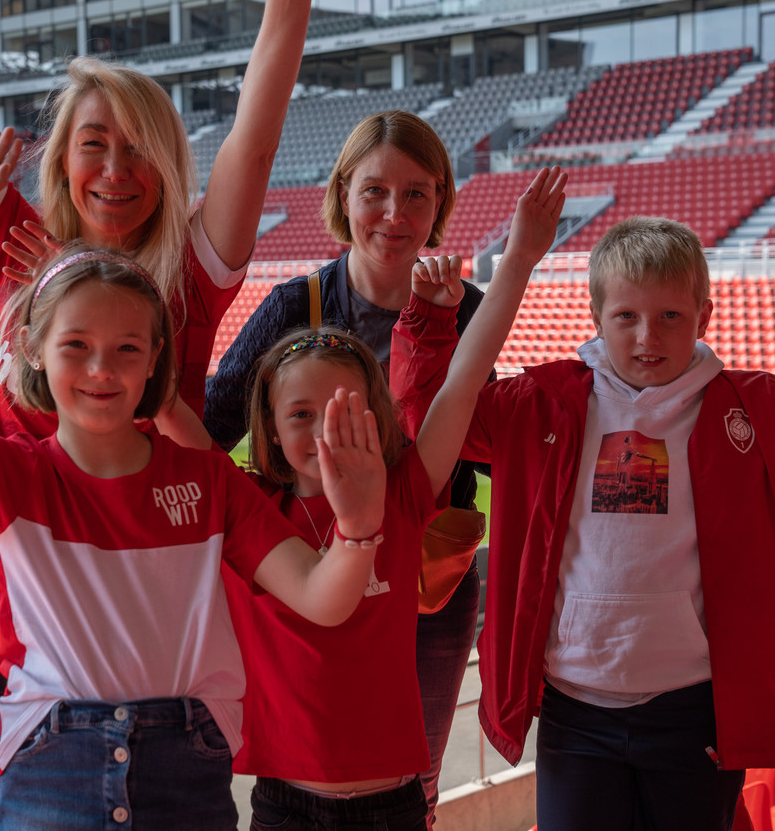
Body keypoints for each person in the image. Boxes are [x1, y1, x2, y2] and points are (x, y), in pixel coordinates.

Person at [0, 0, 327, 824]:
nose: (115, 169)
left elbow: (254, 144)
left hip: (115, 654)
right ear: (61, 157)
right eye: (94, 143)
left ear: (168, 166)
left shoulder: (187, 278)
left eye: (140, 148)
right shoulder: (3, 237)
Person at [0, 131, 387, 831]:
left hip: (186, 781)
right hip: (51, 777)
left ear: (154, 362)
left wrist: (357, 528)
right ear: (35, 354)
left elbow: (322, 599)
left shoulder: (207, 483)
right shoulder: (10, 475)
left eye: (126, 349)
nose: (102, 369)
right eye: (76, 346)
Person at [391, 215, 775, 830]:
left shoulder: (755, 408)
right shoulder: (541, 404)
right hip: (574, 708)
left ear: (703, 318)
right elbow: (429, 420)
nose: (647, 336)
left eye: (670, 317)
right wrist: (432, 323)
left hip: (696, 710)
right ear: (596, 318)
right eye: (626, 317)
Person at [164, 167, 565, 829]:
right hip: (281, 806)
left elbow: (463, 380)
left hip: (396, 808)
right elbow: (165, 413)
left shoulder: (405, 491)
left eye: (344, 408)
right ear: (267, 427)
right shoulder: (247, 507)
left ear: (378, 417)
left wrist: (518, 259)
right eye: (300, 414)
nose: (326, 429)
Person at [203, 110, 487, 820]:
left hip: (426, 580)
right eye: (375, 191)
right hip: (307, 568)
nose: (395, 214)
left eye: (417, 193)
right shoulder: (290, 306)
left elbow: (484, 443)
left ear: (441, 202)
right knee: (305, 770)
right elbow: (212, 429)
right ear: (343, 194)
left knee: (410, 784)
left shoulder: (469, 309)